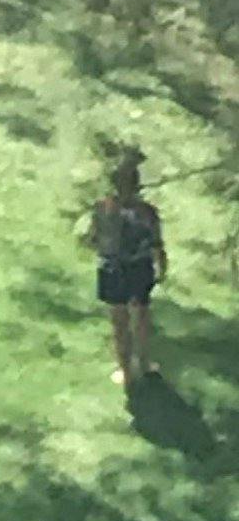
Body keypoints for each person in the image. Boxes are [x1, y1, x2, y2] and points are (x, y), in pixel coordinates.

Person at [87, 151, 167, 389]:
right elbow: (156, 243)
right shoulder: (147, 212)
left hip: (112, 268)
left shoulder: (102, 208)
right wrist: (162, 266)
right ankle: (143, 362)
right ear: (138, 184)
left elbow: (93, 239)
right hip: (140, 268)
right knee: (141, 315)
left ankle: (125, 371)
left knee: (119, 320)